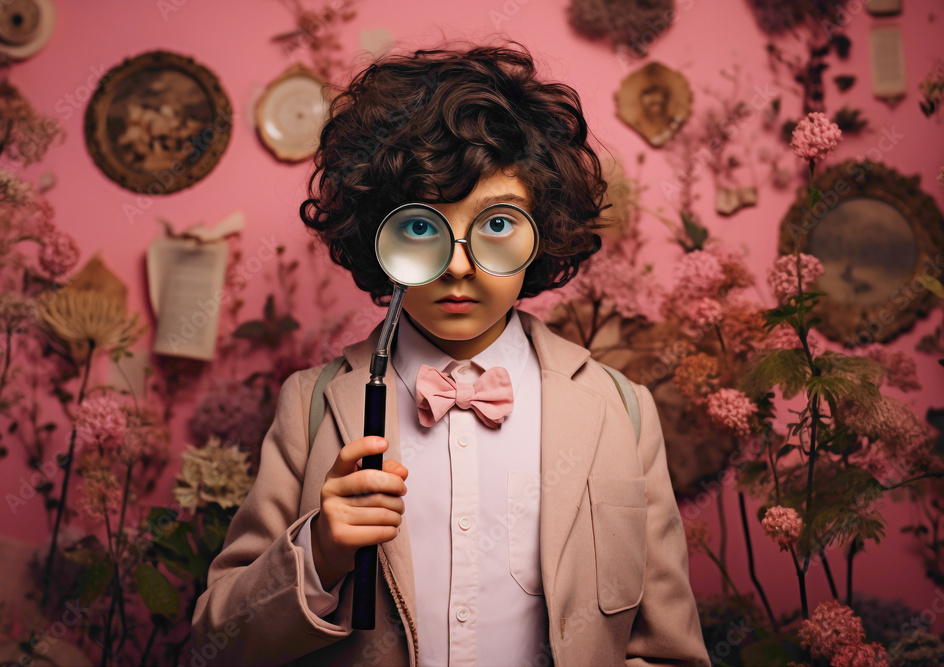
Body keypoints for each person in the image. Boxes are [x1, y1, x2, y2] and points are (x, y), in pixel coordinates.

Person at [190, 41, 709, 667]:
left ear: (542, 232)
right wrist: (320, 552)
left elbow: (667, 650)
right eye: (420, 228)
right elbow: (217, 643)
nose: (458, 267)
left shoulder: (619, 410)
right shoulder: (314, 403)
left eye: (496, 224)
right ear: (375, 236)